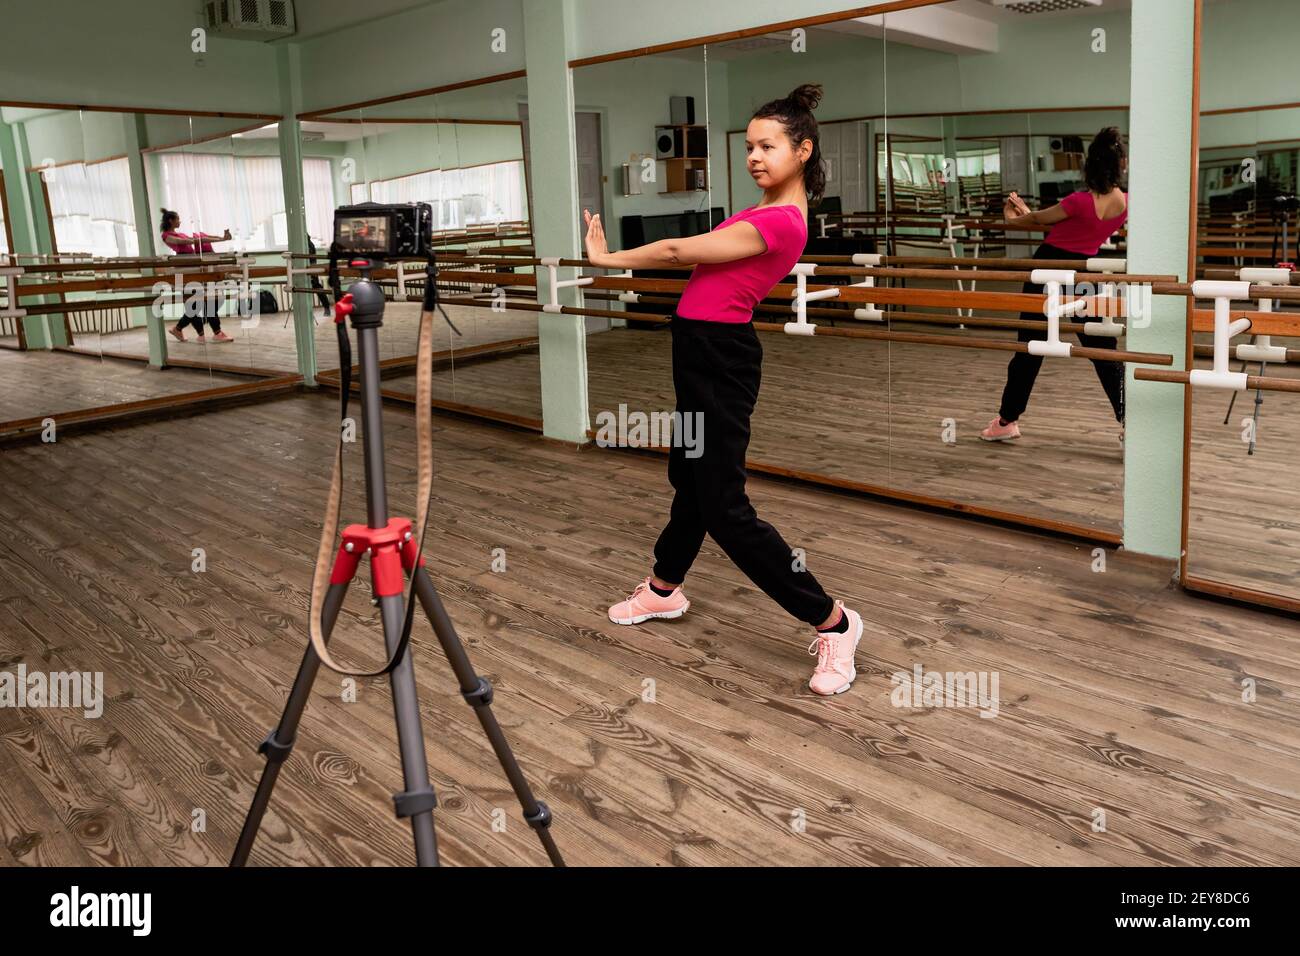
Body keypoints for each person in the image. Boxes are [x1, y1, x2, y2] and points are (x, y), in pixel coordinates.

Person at [584, 84, 866, 697]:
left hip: (721, 361)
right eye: (750, 146)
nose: (755, 157)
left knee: (725, 507)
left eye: (769, 146)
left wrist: (607, 261)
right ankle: (664, 590)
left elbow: (680, 249)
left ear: (803, 149)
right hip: (698, 352)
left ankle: (834, 621)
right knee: (690, 477)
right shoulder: (761, 207)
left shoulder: (781, 220)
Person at [980, 126, 1129, 443]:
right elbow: (1059, 225)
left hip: (1046, 272)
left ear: (1090, 166)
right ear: (1121, 165)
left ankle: (1007, 421)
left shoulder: (1077, 200)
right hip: (1082, 273)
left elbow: (1039, 221)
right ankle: (1130, 420)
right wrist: (1030, 215)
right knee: (1103, 348)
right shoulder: (1125, 203)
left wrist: (1013, 218)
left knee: (1029, 347)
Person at [159, 208, 234, 343]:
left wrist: (222, 239)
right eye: (178, 219)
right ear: (171, 220)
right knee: (198, 304)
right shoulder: (165, 235)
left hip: (193, 269)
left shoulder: (181, 234)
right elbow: (178, 242)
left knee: (201, 303)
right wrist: (194, 241)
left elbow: (201, 239)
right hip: (184, 269)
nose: (180, 221)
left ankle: (180, 329)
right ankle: (213, 332)